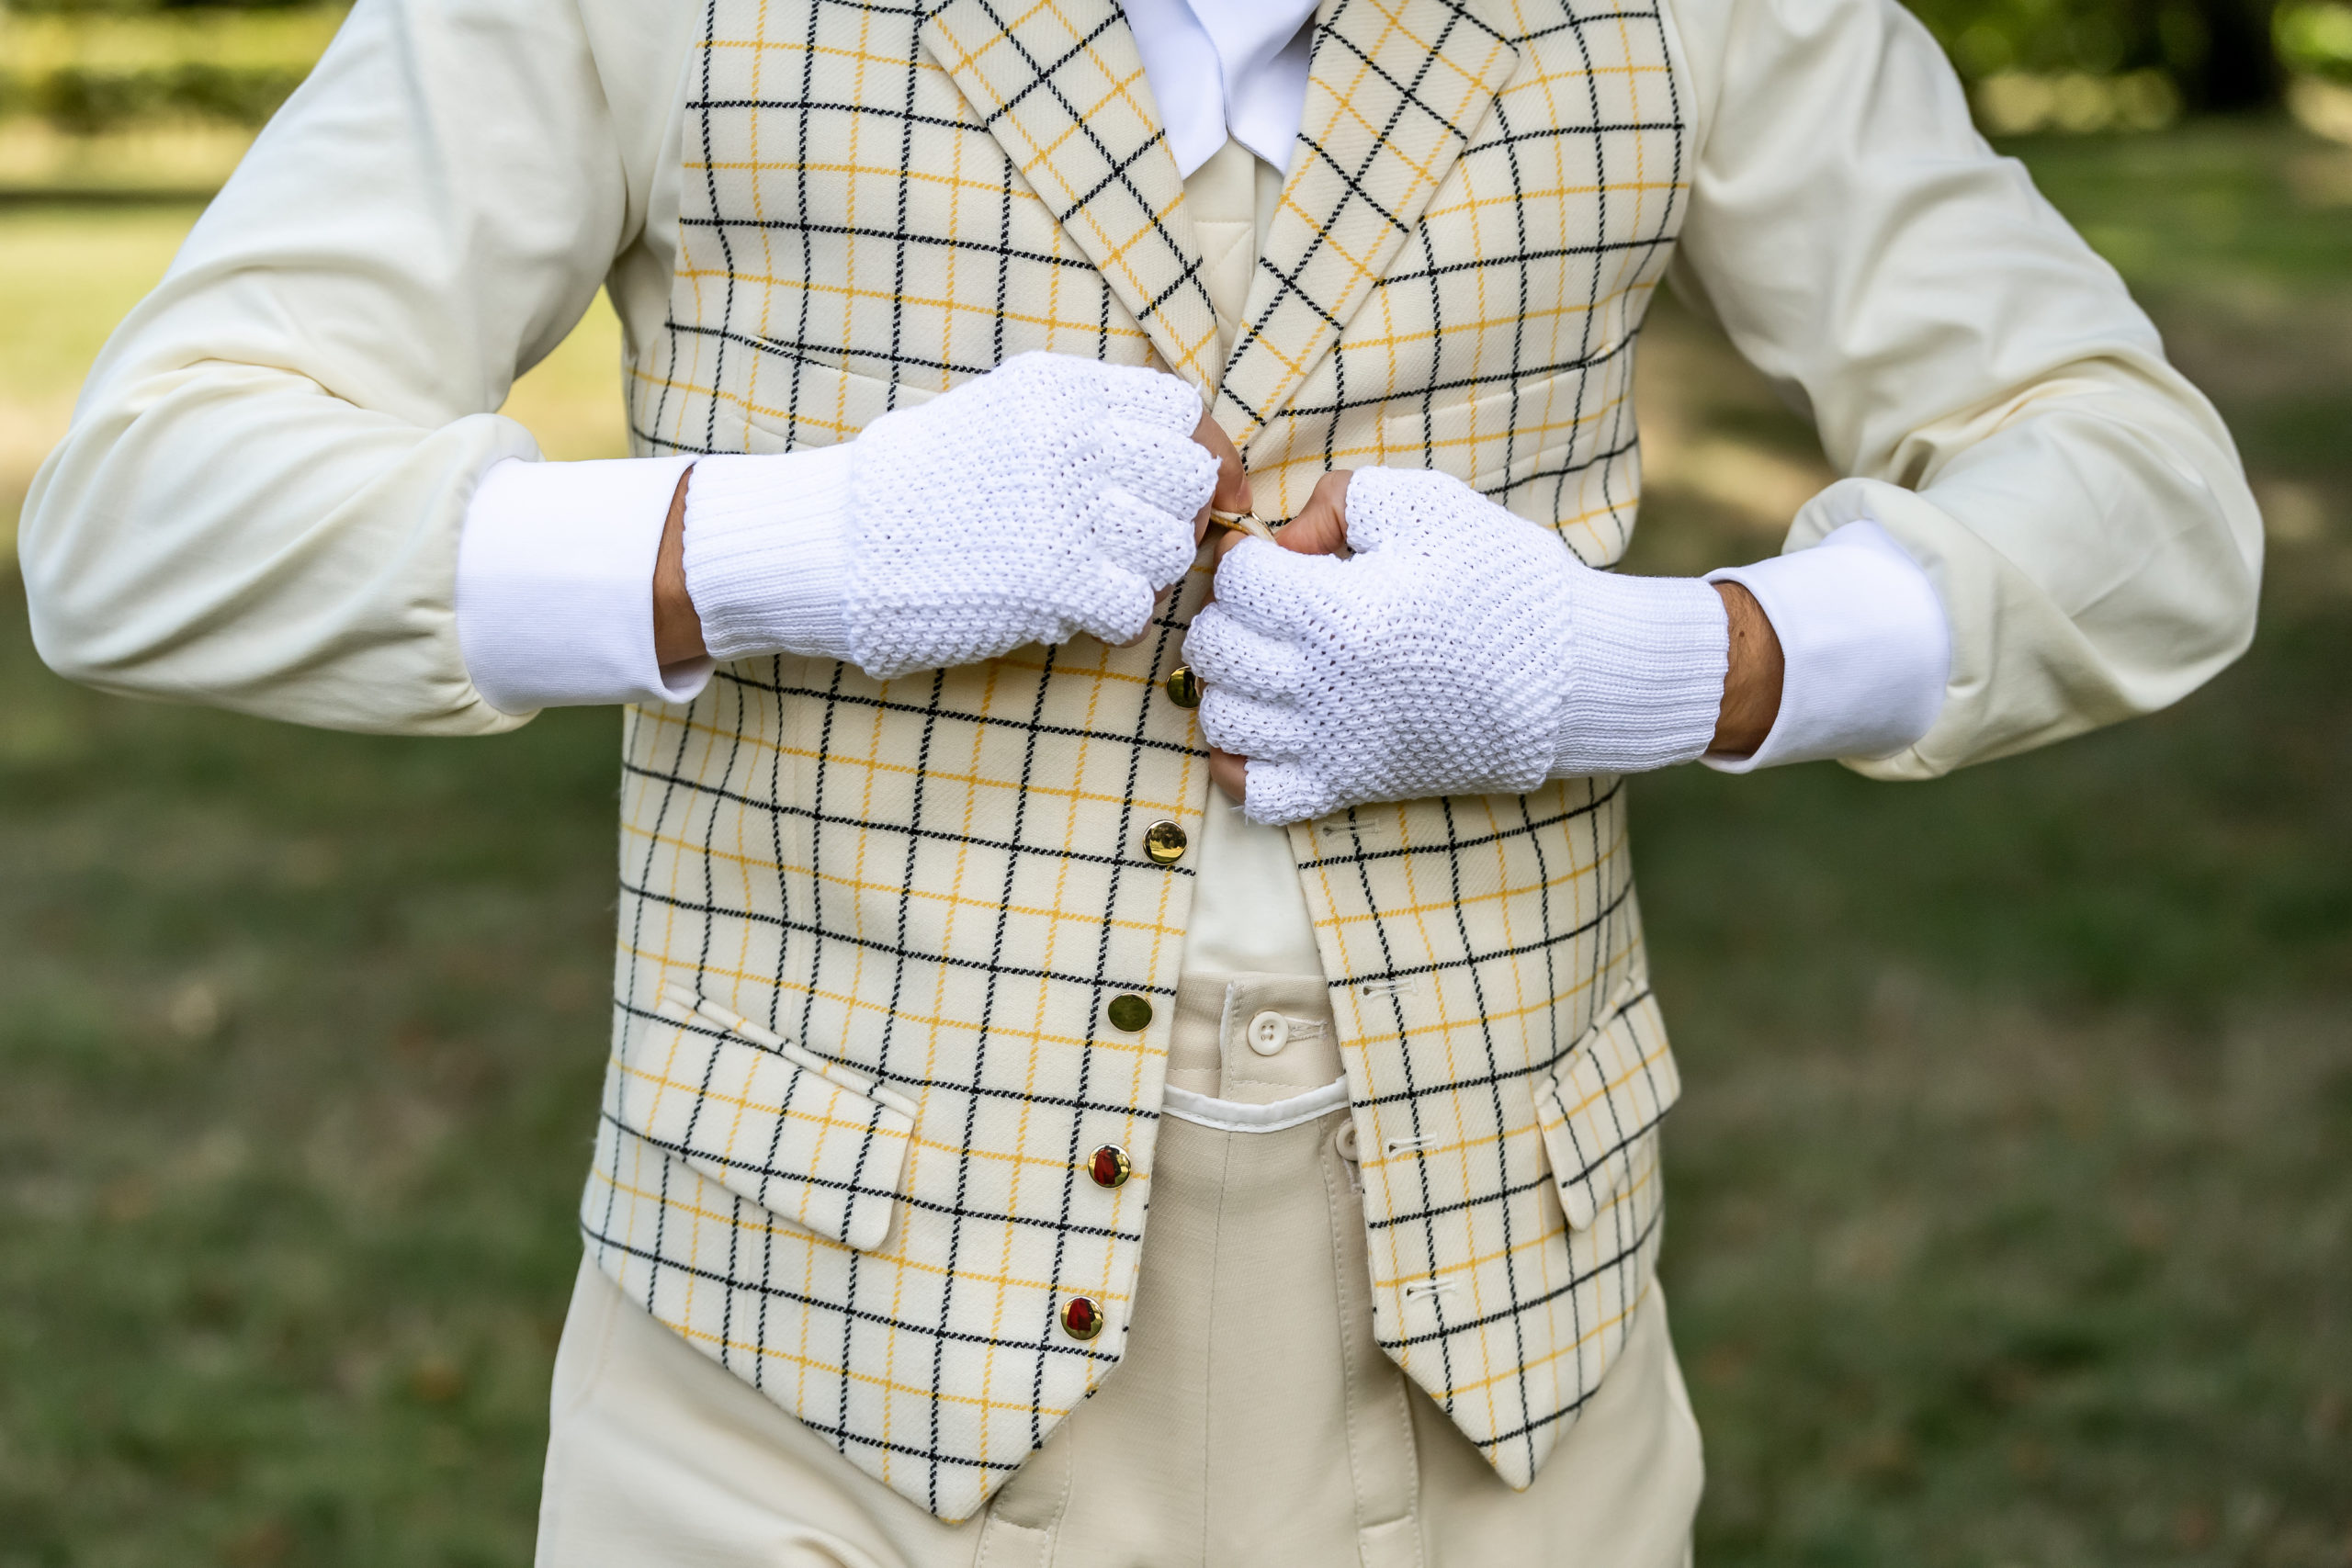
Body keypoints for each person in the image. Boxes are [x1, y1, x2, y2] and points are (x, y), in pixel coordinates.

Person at [18, 0, 2259, 1555]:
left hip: (1510, 1417)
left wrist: (1657, 663)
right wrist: (796, 543)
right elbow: (143, 513)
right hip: (796, 1406)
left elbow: (2146, 503)